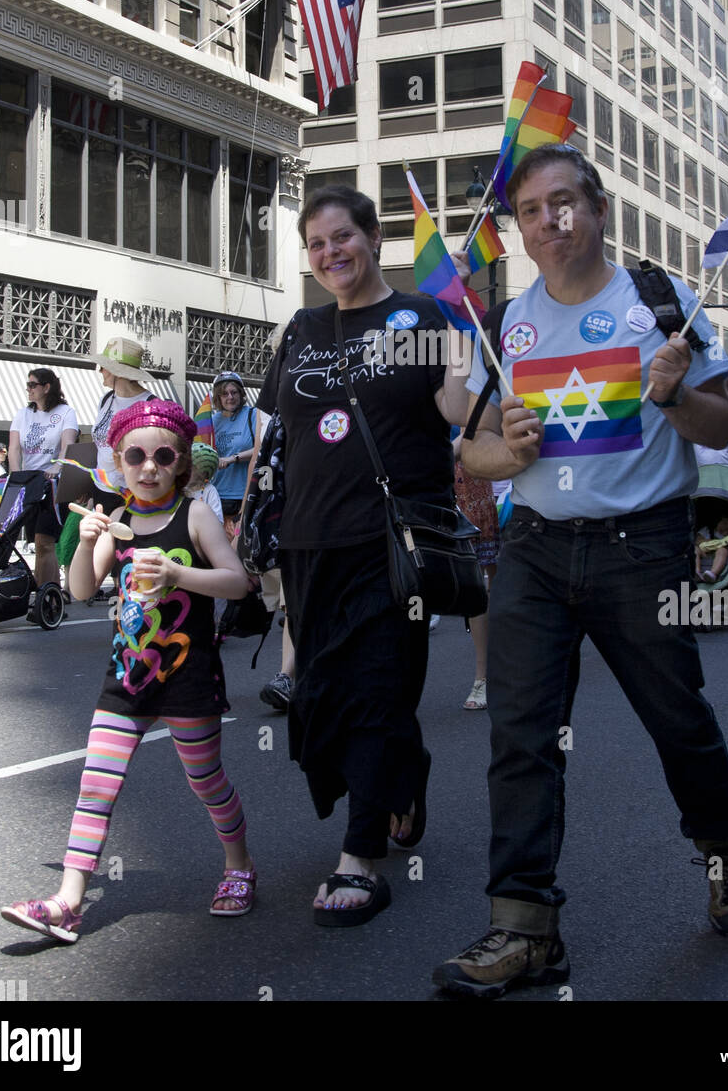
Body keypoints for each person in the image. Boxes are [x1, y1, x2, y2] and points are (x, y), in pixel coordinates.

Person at [432, 144, 728, 1000]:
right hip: (536, 551)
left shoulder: (660, 304)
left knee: (677, 720)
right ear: (522, 226)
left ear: (598, 209)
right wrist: (508, 449)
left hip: (642, 547)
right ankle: (524, 928)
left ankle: (725, 850)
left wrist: (673, 397)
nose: (550, 220)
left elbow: (720, 429)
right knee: (520, 738)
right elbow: (471, 449)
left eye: (565, 202)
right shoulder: (504, 323)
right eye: (533, 209)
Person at [256, 184, 467, 925]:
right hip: (308, 541)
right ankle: (401, 777)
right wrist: (256, 522)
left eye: (342, 237)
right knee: (320, 700)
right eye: (315, 244)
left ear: (375, 238)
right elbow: (271, 434)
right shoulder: (303, 328)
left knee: (377, 687)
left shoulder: (424, 317)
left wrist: (464, 371)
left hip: (390, 540)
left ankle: (360, 856)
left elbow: (453, 413)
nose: (329, 253)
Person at [0, 399, 253, 943]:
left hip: (189, 676)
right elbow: (81, 591)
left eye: (164, 455)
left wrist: (179, 576)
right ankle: (68, 902)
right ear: (118, 461)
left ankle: (239, 867)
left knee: (206, 782)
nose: (149, 466)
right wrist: (89, 544)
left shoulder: (197, 515)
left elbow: (238, 581)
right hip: (128, 675)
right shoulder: (117, 520)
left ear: (182, 463)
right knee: (95, 785)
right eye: (136, 455)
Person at [8, 368, 78, 597]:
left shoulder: (66, 412)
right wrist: (17, 475)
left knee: (44, 542)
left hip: (52, 483)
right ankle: (47, 595)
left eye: (32, 385)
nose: (28, 389)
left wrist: (58, 466)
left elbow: (68, 444)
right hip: (29, 482)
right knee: (38, 545)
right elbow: (14, 449)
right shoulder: (23, 414)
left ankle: (47, 594)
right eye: (27, 385)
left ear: (46, 387)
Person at [453, 436, 499, 709]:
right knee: (477, 585)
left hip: (513, 484)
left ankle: (489, 674)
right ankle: (485, 676)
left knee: (497, 581)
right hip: (467, 486)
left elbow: (474, 426)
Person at [90, 338, 154, 489]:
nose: (100, 371)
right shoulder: (105, 399)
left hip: (129, 493)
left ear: (116, 372)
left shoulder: (149, 406)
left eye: (103, 366)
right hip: (100, 488)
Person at [207, 373, 258, 539]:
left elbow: (262, 448)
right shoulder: (212, 421)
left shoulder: (253, 415)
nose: (230, 397)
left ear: (241, 394)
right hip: (217, 493)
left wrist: (233, 458)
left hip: (245, 494)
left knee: (239, 545)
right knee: (218, 545)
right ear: (218, 397)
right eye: (224, 393)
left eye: (234, 392)